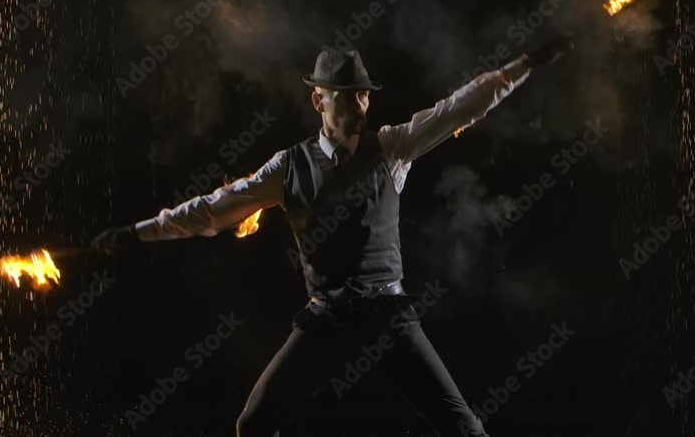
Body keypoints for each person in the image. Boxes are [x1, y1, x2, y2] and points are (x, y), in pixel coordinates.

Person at [91, 38, 574, 436]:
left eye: (363, 94)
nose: (358, 103)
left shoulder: (392, 147)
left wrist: (522, 65)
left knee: (466, 431)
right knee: (254, 425)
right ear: (318, 100)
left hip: (390, 319)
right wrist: (137, 234)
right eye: (345, 94)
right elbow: (211, 211)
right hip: (327, 322)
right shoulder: (288, 167)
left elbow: (459, 107)